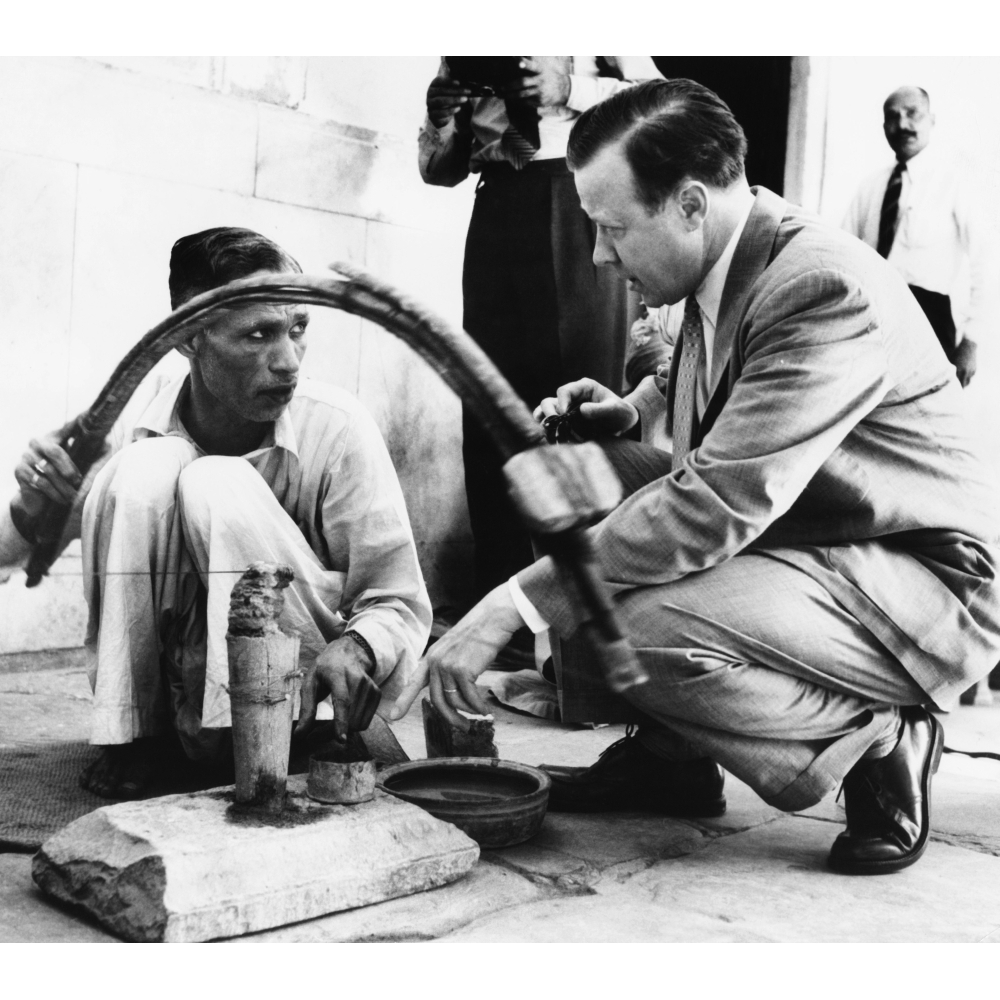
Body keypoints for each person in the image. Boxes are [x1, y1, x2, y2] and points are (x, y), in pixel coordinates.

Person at [391, 79, 1000, 876]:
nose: (601, 256)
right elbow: (707, 361)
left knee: (634, 629)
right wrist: (636, 411)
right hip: (804, 531)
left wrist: (507, 607)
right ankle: (670, 757)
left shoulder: (823, 287)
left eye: (612, 230)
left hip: (915, 571)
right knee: (566, 481)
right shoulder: (725, 253)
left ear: (688, 205)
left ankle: (879, 737)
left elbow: (717, 503)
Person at [0, 227, 431, 798]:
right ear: (189, 338)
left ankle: (253, 736)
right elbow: (21, 548)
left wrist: (358, 647)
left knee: (215, 479)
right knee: (143, 469)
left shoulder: (338, 427)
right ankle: (131, 736)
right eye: (258, 335)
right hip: (177, 703)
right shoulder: (138, 417)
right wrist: (38, 503)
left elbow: (397, 599)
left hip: (296, 704)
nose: (288, 362)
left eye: (298, 329)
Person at [419, 56, 660, 605]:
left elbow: (662, 101)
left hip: (576, 196)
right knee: (489, 407)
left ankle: (584, 606)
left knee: (578, 398)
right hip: (499, 202)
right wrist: (441, 119)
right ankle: (498, 601)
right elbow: (441, 169)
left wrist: (572, 87)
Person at [843, 86, 996, 388]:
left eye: (912, 114)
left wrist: (972, 341)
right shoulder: (871, 186)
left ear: (931, 120)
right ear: (883, 126)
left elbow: (988, 262)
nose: (902, 125)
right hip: (869, 321)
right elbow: (843, 255)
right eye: (892, 117)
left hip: (929, 323)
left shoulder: (955, 182)